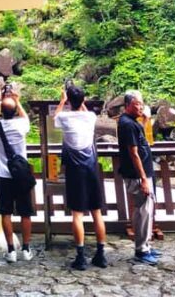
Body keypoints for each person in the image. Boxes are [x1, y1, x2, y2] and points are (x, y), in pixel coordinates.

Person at [54, 85, 107, 270]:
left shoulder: (64, 118)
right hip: (91, 168)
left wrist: (62, 101)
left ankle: (81, 256)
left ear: (69, 100)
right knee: (96, 212)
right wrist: (79, 101)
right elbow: (83, 111)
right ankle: (101, 254)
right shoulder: (90, 117)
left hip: (75, 171)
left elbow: (55, 118)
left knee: (77, 214)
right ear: (83, 100)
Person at [0, 88, 34, 263]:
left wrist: (0, 103)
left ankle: (10, 250)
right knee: (25, 213)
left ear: (2, 110)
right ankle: (26, 248)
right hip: (21, 176)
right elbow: (24, 116)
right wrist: (17, 101)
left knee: (5, 213)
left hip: (3, 175)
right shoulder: (22, 125)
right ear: (15, 111)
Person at [117, 91, 161, 265]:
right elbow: (134, 153)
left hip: (142, 173)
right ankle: (141, 250)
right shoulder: (127, 124)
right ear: (128, 105)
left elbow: (142, 142)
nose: (141, 107)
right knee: (143, 210)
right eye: (137, 104)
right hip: (136, 175)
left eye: (142, 103)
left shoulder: (133, 122)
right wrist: (143, 178)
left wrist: (144, 119)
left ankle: (146, 245)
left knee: (147, 209)